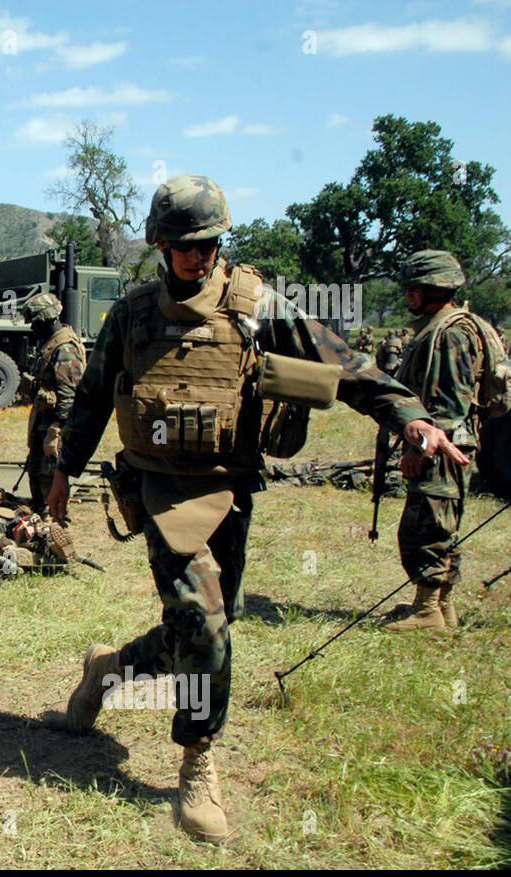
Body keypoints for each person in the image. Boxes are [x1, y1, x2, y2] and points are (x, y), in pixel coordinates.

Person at [45, 175, 469, 842]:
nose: (200, 257)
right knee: (205, 626)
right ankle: (196, 759)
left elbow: (345, 363)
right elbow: (96, 397)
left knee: (205, 625)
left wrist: (412, 417)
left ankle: (111, 668)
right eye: (187, 246)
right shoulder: (131, 314)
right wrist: (62, 472)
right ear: (159, 244)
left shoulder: (255, 305)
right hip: (159, 492)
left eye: (211, 244)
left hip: (230, 489)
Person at [384, 251, 488, 632]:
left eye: (415, 289)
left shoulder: (448, 334)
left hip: (441, 447)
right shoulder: (452, 325)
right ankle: (441, 607)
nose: (408, 297)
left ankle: (428, 611)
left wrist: (419, 448)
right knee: (443, 523)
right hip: (454, 445)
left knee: (425, 525)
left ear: (436, 289)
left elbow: (448, 404)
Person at [24, 292, 87, 513]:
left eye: (35, 322)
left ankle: (52, 520)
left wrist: (58, 430)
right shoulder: (50, 343)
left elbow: (69, 395)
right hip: (44, 422)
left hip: (54, 425)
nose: (32, 328)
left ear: (48, 319)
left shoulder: (65, 348)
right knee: (36, 471)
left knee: (47, 475)